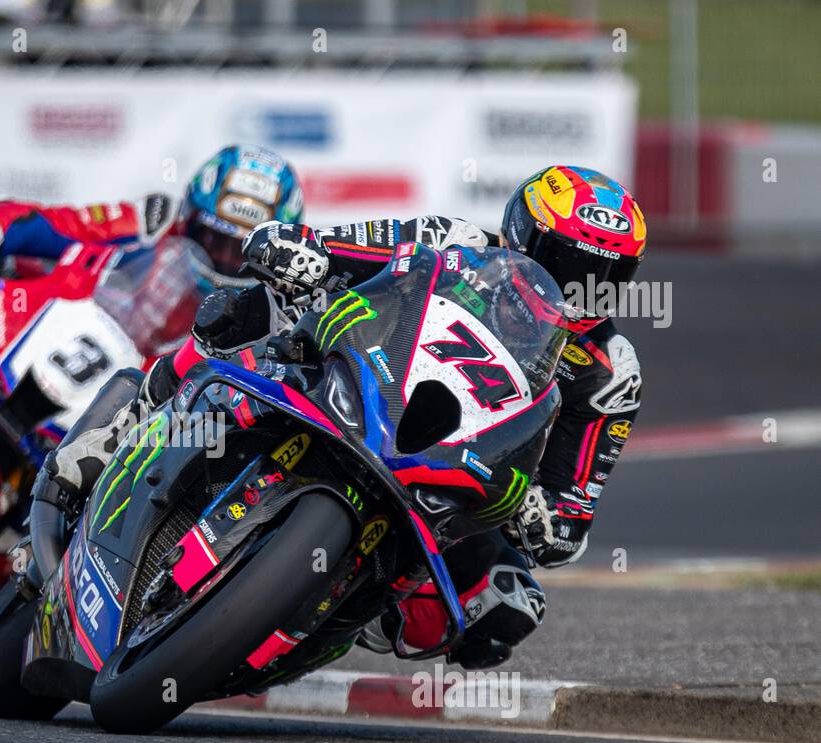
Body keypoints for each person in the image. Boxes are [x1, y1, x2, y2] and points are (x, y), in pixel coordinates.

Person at [42, 164, 647, 669]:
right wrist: (306, 253)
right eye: (564, 263)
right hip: (356, 381)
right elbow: (348, 246)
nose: (578, 288)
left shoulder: (610, 373)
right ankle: (133, 416)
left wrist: (550, 520)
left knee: (508, 605)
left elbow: (572, 513)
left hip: (450, 478)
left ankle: (329, 614)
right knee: (245, 310)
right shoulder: (457, 240)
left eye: (603, 276)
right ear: (521, 236)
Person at [0, 144, 305, 300]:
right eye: (212, 238)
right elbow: (61, 226)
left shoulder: (285, 301)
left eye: (240, 249)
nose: (221, 258)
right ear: (189, 216)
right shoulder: (153, 222)